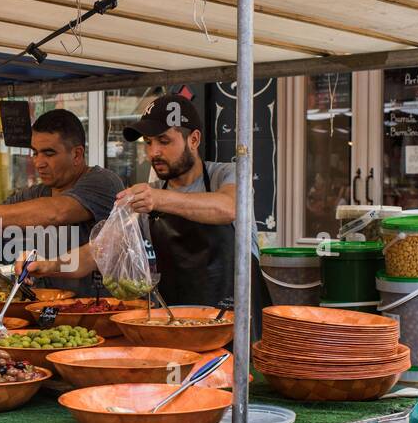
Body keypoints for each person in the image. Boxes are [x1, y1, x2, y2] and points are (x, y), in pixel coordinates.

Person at [22, 93, 269, 336]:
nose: (153, 153)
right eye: (148, 143)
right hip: (175, 327)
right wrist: (48, 265)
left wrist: (158, 198)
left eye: (164, 141)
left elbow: (228, 207)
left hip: (236, 328)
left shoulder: (227, 175)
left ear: (193, 139)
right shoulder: (147, 196)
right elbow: (97, 252)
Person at [0, 109, 122, 293]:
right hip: (45, 312)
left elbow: (57, 212)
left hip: (98, 312)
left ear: (76, 154)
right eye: (35, 153)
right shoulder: (33, 194)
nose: (38, 163)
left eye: (48, 153)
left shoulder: (103, 182)